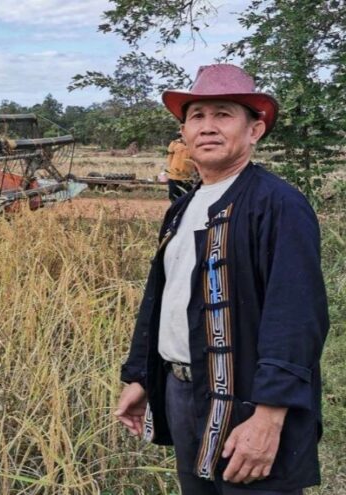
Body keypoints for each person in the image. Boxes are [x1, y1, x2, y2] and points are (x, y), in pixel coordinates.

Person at [114, 64, 329, 494]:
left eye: (224, 115)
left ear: (255, 131)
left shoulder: (276, 204)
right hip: (184, 393)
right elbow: (163, 299)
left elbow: (296, 318)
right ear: (184, 133)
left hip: (249, 400)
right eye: (197, 117)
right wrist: (142, 376)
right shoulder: (184, 207)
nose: (207, 127)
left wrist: (268, 418)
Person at [165, 133, 196, 202]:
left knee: (187, 198)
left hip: (188, 177)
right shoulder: (174, 143)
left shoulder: (194, 144)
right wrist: (170, 170)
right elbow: (169, 158)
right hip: (174, 176)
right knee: (173, 197)